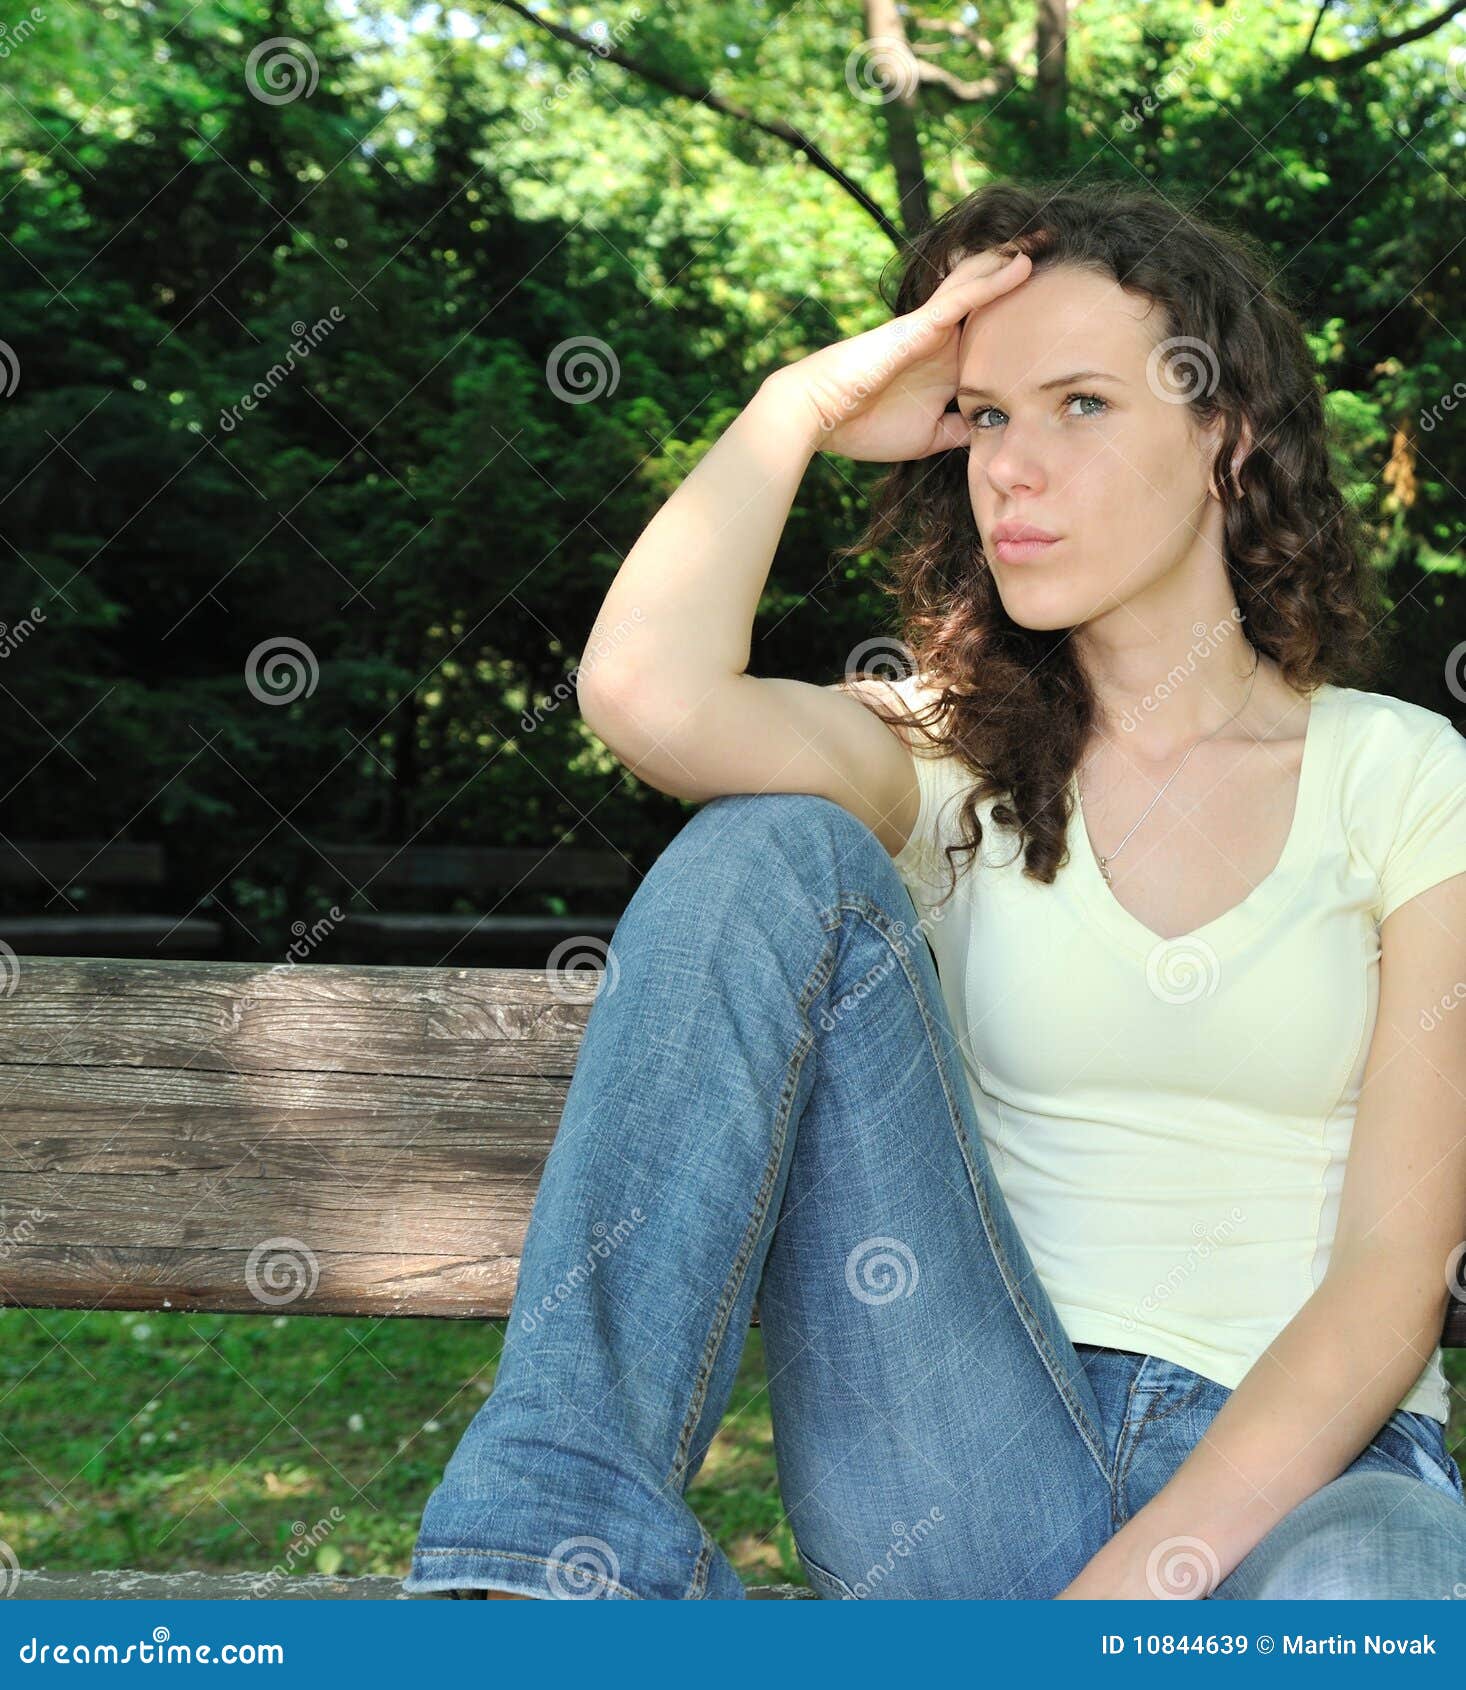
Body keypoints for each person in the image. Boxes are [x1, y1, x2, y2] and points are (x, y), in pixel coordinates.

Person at [402, 180, 1466, 1600]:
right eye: (983, 415)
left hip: (1310, 1482)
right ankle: (537, 1570)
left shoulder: (1403, 776)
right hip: (962, 1455)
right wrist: (792, 407)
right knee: (762, 844)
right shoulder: (942, 754)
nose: (1009, 467)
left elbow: (1388, 1286)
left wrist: (1111, 1610)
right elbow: (644, 694)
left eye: (1079, 403)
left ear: (1227, 429)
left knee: (1374, 1599)